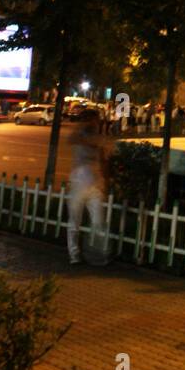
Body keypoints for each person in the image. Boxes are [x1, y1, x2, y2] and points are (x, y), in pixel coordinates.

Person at [66, 110, 112, 266]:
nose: (96, 123)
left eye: (96, 121)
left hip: (94, 184)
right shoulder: (79, 135)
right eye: (93, 120)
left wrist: (105, 182)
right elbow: (70, 139)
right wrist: (84, 127)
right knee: (75, 221)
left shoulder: (98, 138)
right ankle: (74, 254)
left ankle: (100, 255)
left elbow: (103, 161)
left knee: (98, 221)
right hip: (78, 181)